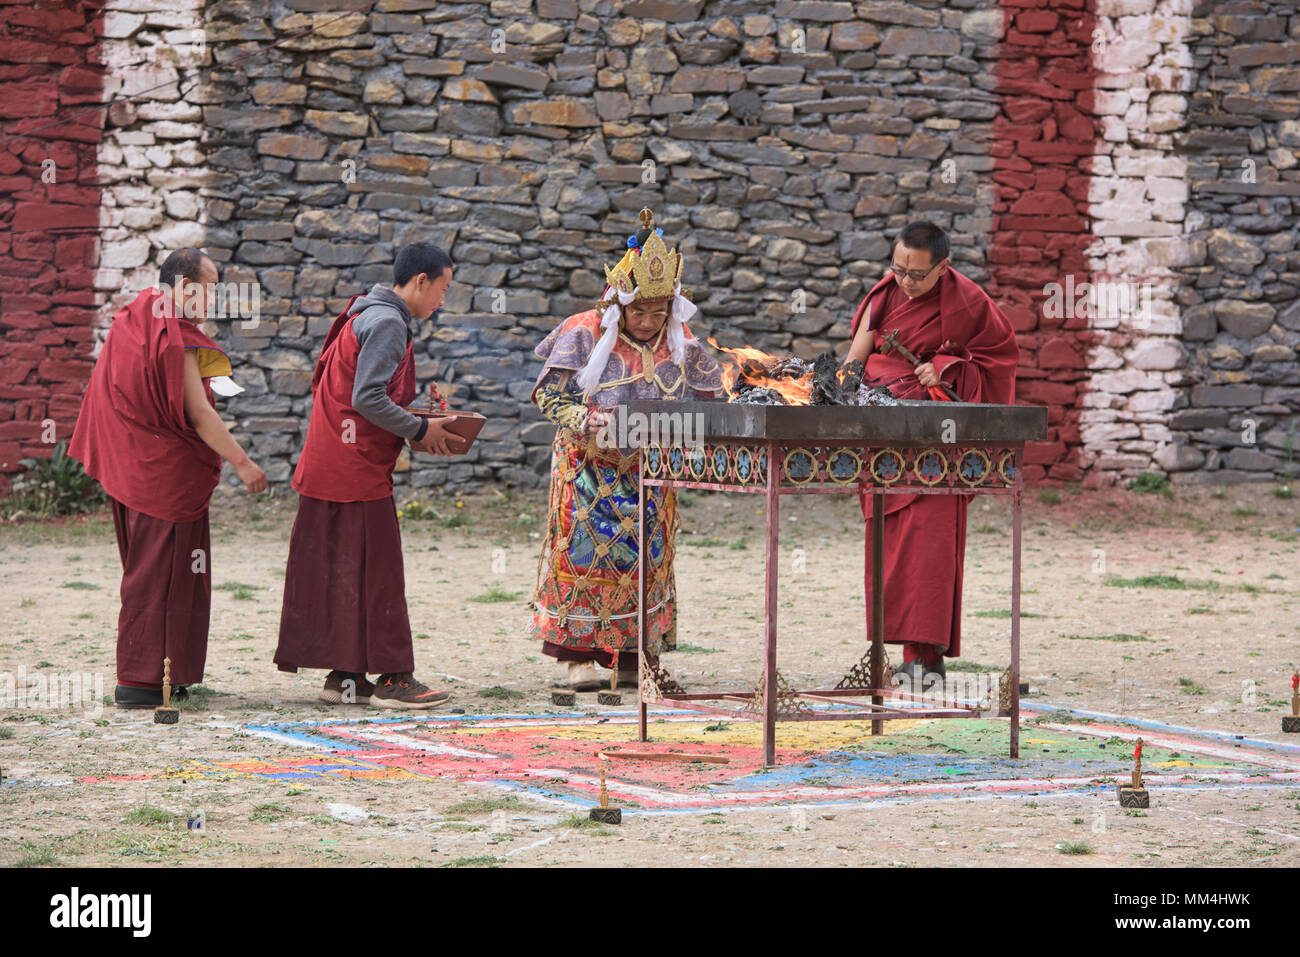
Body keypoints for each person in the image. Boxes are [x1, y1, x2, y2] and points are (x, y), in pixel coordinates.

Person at [529, 208, 722, 692]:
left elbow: (711, 397)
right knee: (583, 552)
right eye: (640, 312)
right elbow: (548, 396)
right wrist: (582, 418)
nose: (649, 322)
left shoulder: (681, 341)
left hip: (648, 469)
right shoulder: (583, 331)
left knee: (646, 556)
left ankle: (634, 655)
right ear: (619, 305)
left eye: (660, 313)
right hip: (588, 466)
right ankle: (577, 657)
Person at [69, 248, 268, 709]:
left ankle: (162, 676)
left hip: (132, 468)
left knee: (153, 570)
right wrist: (242, 462)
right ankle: (141, 680)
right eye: (211, 288)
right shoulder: (172, 337)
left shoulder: (132, 321)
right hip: (164, 476)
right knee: (160, 575)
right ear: (184, 286)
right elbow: (198, 413)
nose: (215, 298)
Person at [274, 242, 459, 709]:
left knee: (345, 570)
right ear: (421, 281)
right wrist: (419, 428)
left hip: (331, 459)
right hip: (353, 470)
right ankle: (395, 679)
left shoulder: (365, 312)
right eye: (442, 289)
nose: (442, 300)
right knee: (378, 572)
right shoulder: (388, 323)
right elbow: (368, 398)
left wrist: (414, 423)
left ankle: (347, 676)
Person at [844, 221, 1019, 685]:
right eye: (898, 268)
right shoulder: (884, 293)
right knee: (889, 541)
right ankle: (899, 650)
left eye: (916, 274)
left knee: (931, 546)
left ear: (944, 267)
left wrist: (946, 370)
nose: (904, 280)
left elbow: (998, 360)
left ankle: (924, 656)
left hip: (937, 444)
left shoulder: (968, 304)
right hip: (883, 434)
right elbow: (856, 358)